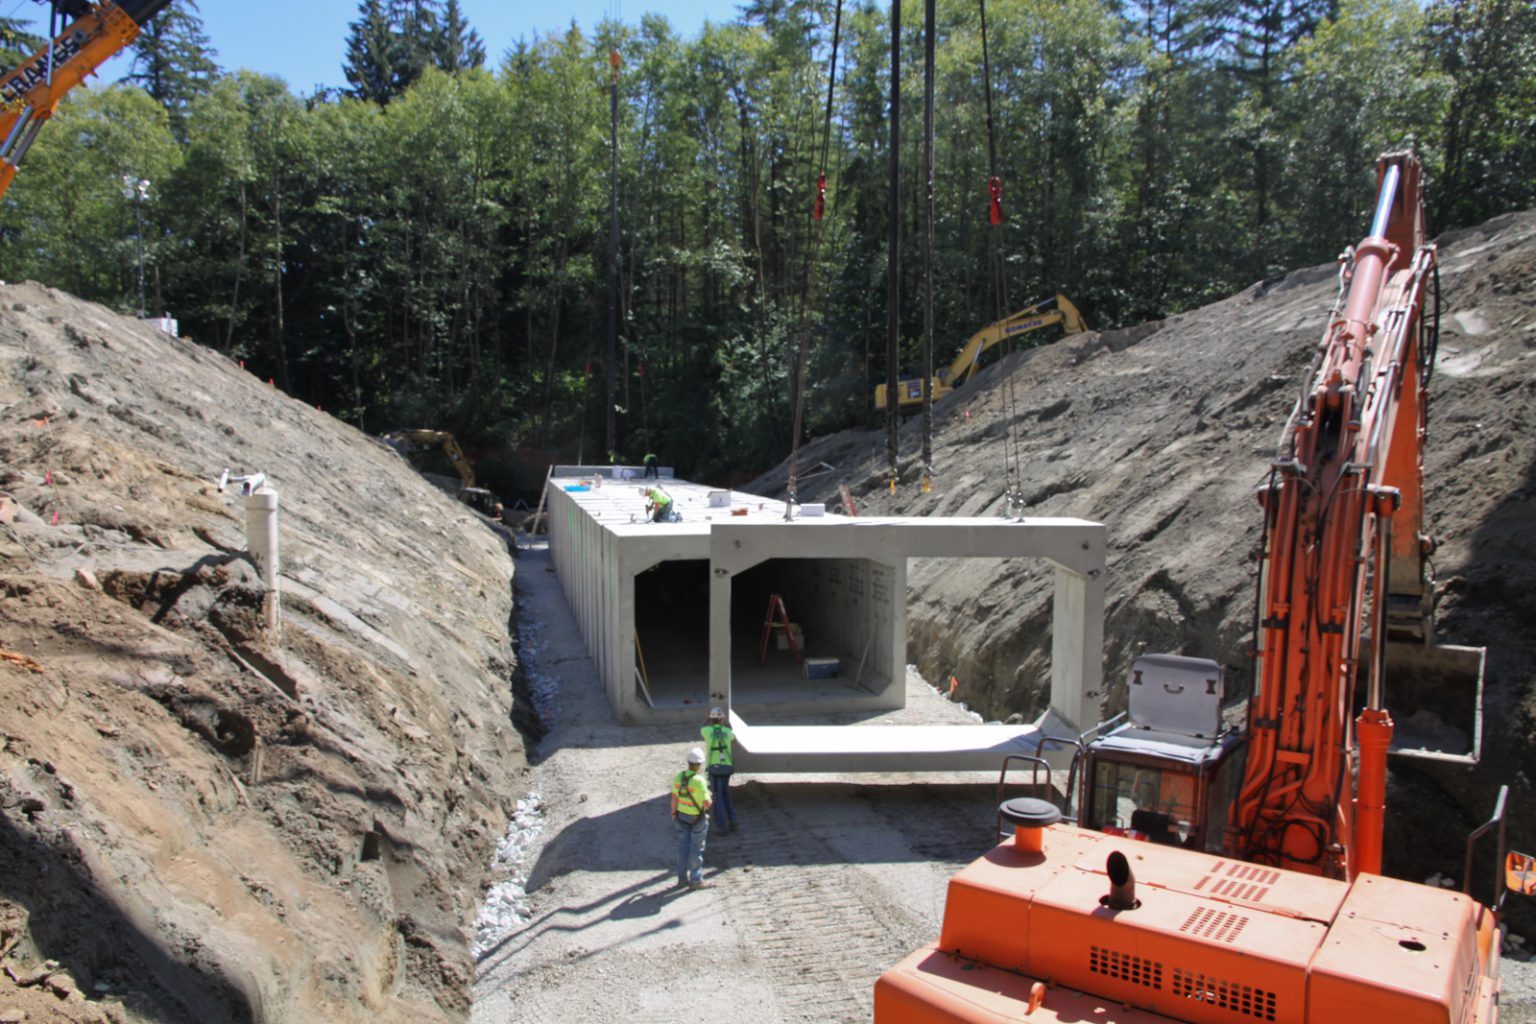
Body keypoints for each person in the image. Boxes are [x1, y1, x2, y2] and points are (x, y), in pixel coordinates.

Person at [671, 747, 713, 889]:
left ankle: (681, 880)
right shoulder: (699, 781)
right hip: (697, 819)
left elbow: (674, 799)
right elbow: (707, 804)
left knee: (682, 848)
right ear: (699, 764)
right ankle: (696, 880)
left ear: (688, 762)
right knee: (696, 850)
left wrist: (673, 814)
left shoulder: (678, 776)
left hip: (681, 817)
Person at [701, 707, 738, 834]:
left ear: (711, 719)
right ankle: (733, 821)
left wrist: (707, 718)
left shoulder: (706, 731)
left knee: (717, 797)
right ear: (722, 720)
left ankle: (722, 827)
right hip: (726, 767)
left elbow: (702, 727)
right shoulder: (728, 732)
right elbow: (733, 737)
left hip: (714, 768)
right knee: (725, 794)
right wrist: (726, 723)